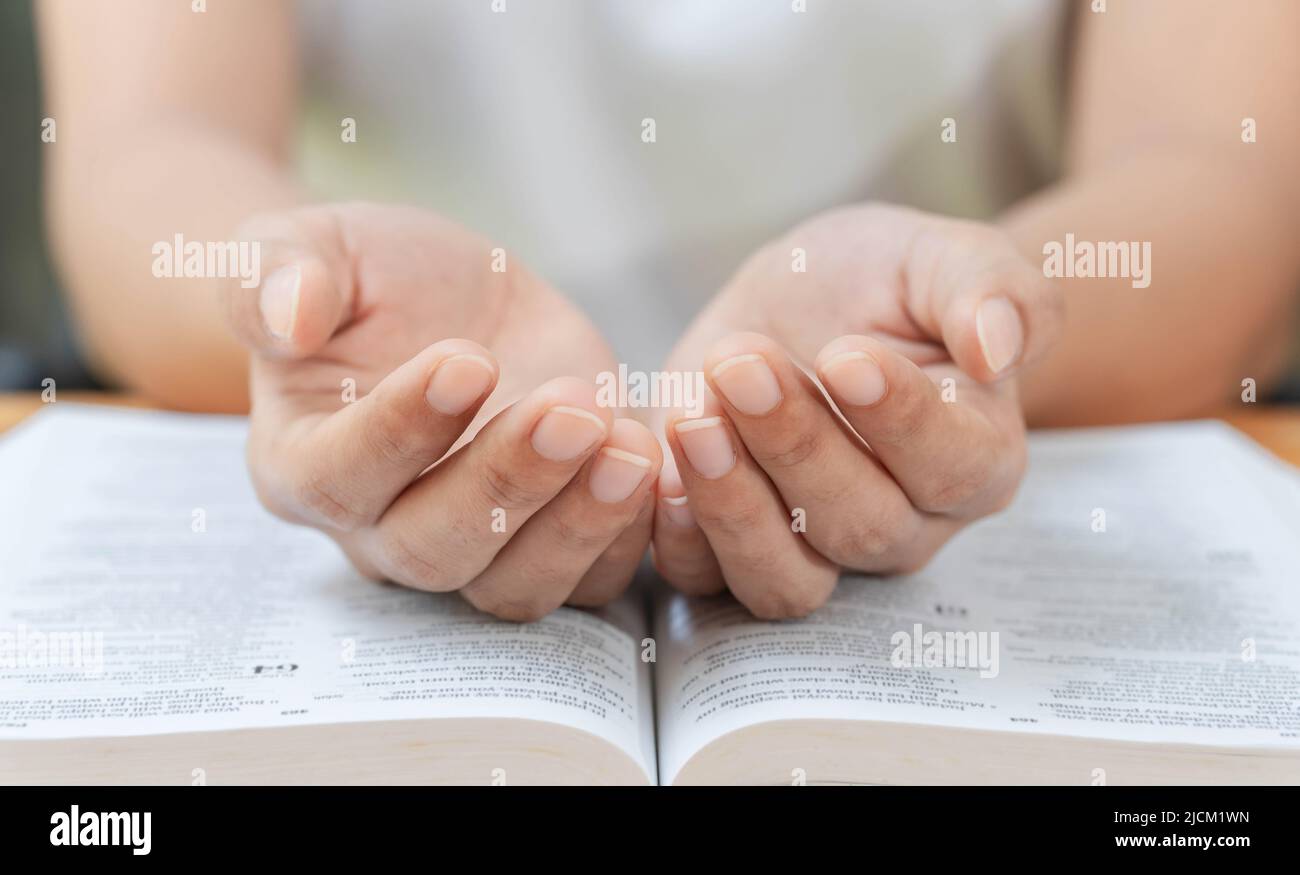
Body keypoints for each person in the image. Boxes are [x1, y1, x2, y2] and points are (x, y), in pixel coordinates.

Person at [35, 0, 1300, 620]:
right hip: (433, 374)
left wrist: (965, 326)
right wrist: (302, 302)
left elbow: (1223, 175)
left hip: (1010, 465)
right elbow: (144, 153)